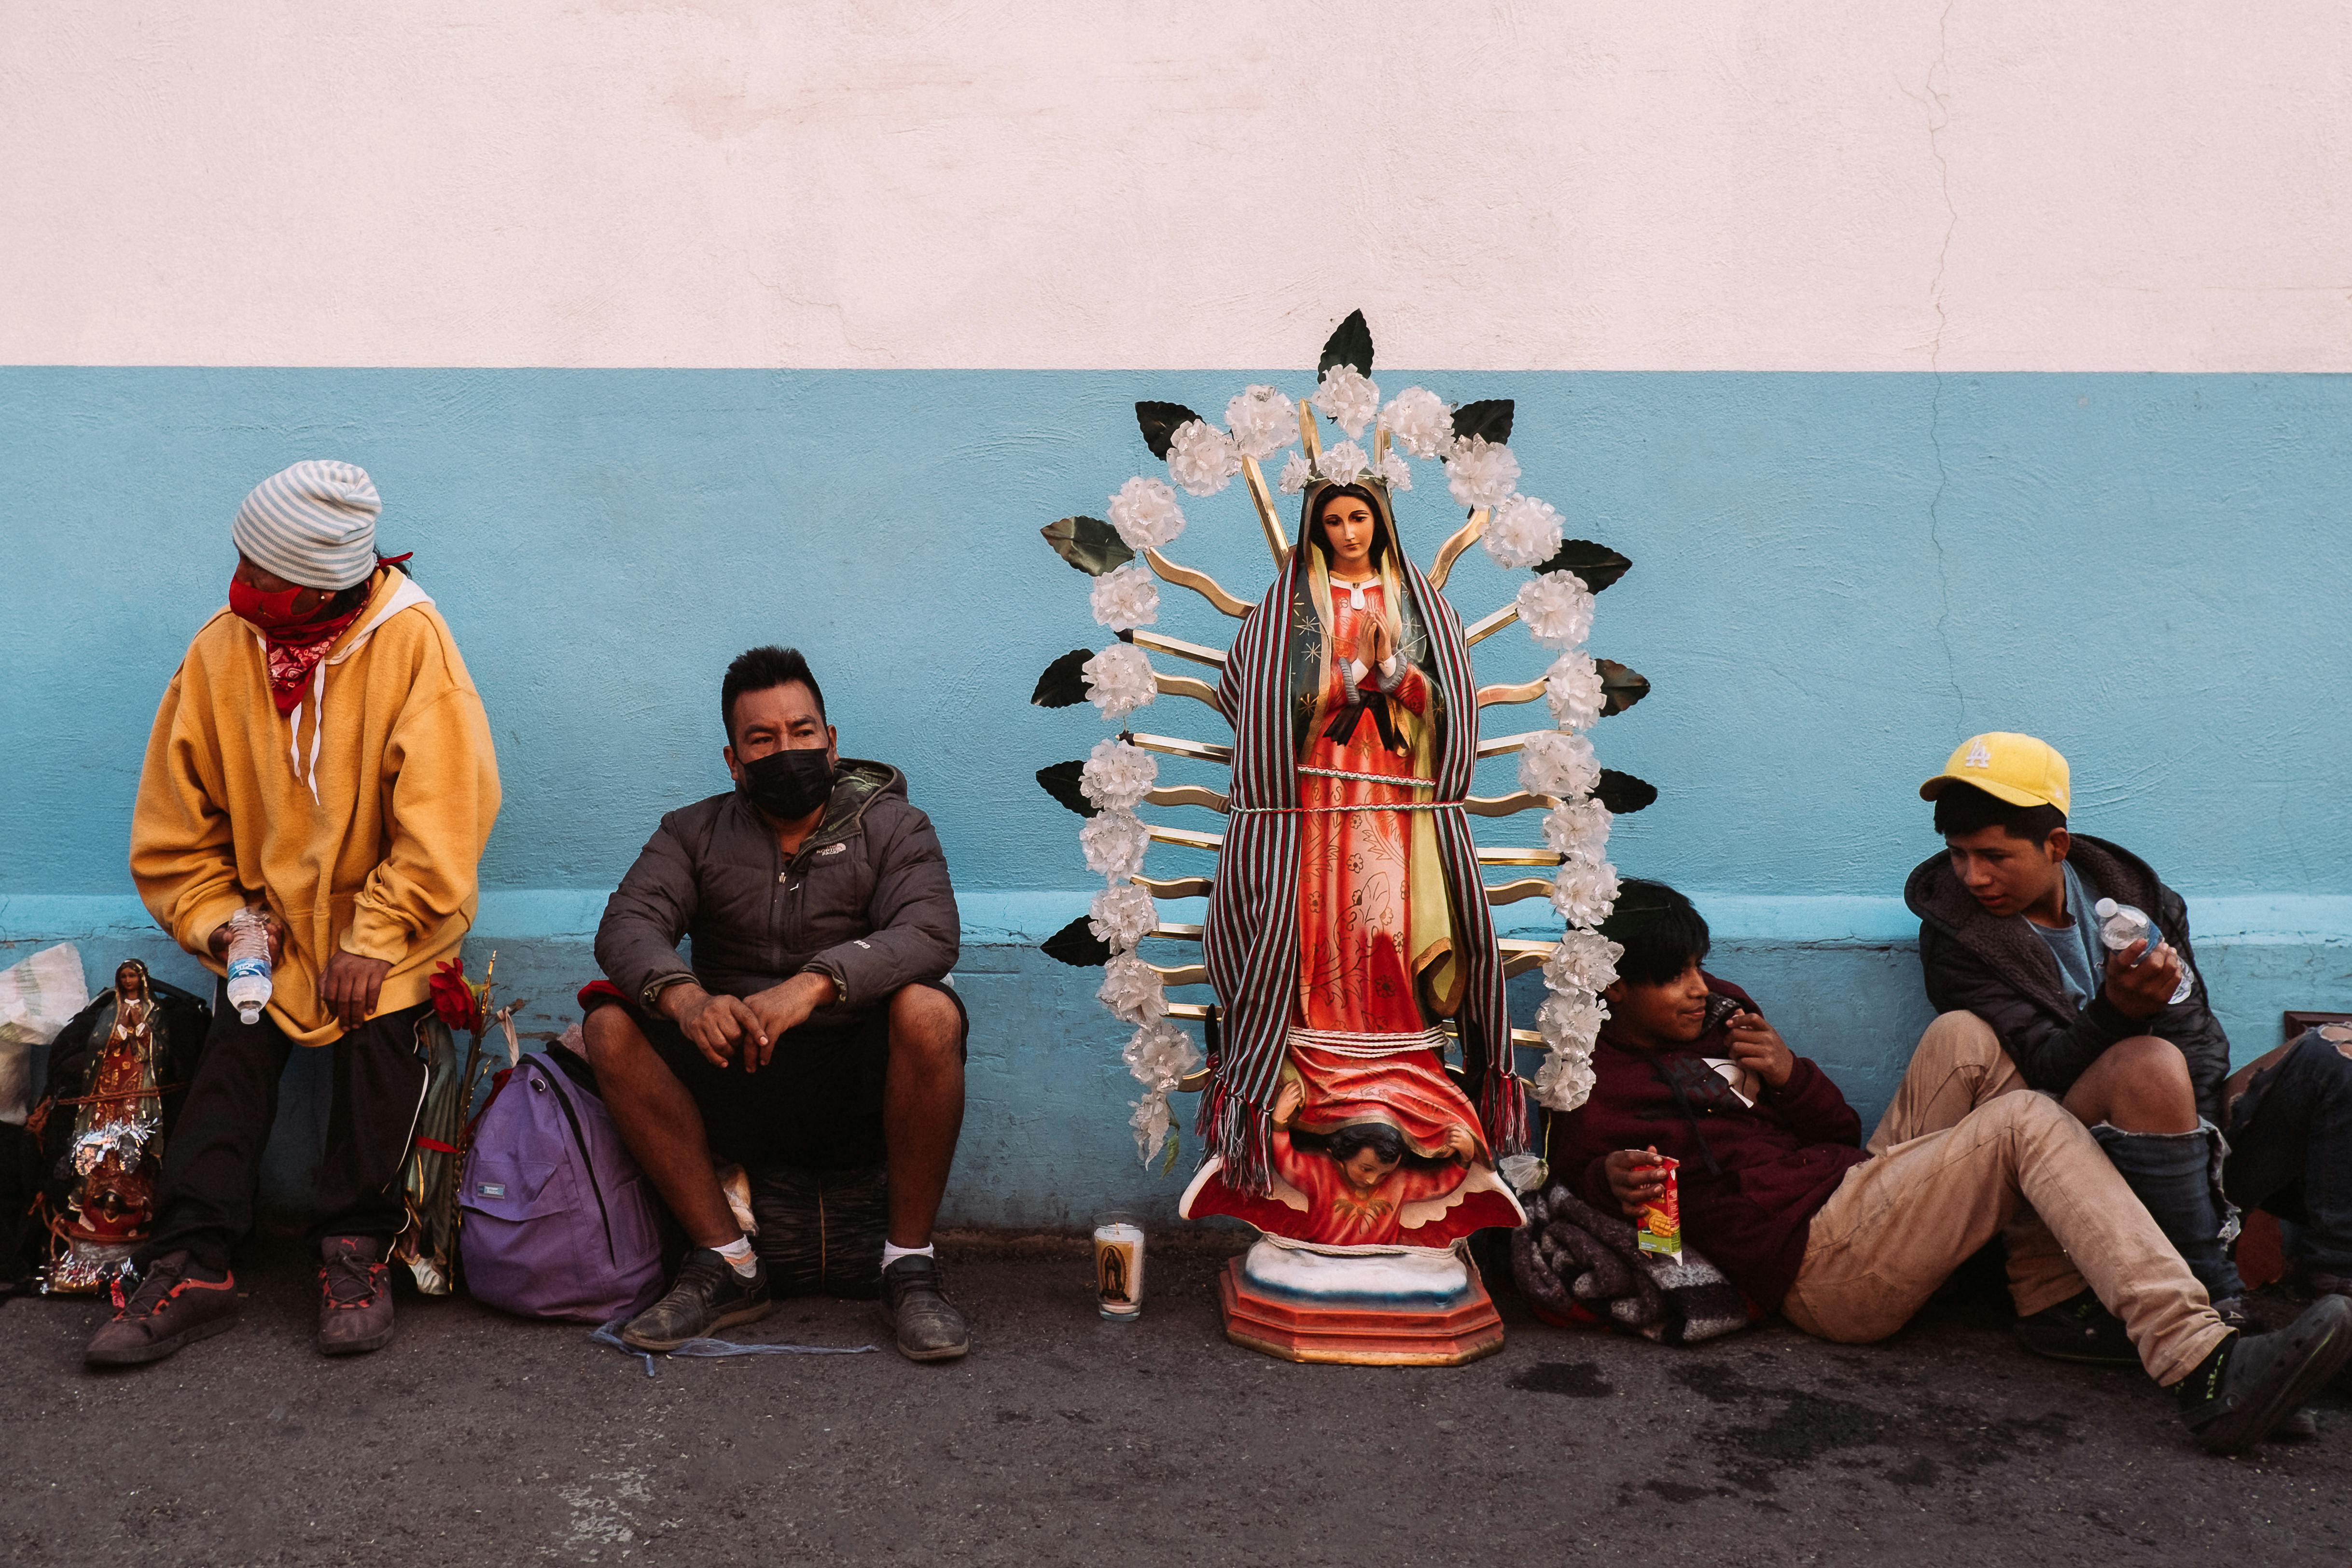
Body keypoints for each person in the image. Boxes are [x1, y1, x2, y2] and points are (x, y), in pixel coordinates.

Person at [1549, 879, 2352, 1455]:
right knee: (2024, 1121)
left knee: (1963, 1035)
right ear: (1613, 989)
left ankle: (2048, 1292)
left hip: (1848, 1188)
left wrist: (1788, 1073)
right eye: (1673, 978)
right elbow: (1593, 1190)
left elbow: (1835, 1129)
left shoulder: (1720, 1013)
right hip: (1820, 1266)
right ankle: (2200, 1360)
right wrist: (1608, 1183)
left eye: (1698, 965)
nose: (1698, 989)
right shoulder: (1593, 1088)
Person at [89, 461, 501, 1367]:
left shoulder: (414, 644)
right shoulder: (219, 650)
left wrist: (374, 937)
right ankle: (193, 1260)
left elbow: (444, 822)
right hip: (267, 922)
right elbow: (175, 833)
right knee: (236, 1043)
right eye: (240, 559)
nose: (241, 583)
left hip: (390, 921)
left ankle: (356, 1246)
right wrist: (225, 923)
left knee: (377, 1034)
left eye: (261, 571)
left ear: (320, 584)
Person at [585, 646, 971, 1361]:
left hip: (858, 1082)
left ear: (831, 741)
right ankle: (727, 1263)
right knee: (608, 1028)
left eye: (801, 731)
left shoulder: (896, 826)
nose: (785, 750)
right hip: (736, 1074)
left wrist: (814, 984)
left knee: (930, 1011)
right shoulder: (690, 833)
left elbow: (929, 932)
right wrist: (688, 1000)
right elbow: (628, 925)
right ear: (733, 762)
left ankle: (909, 1267)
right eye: (761, 739)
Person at [1180, 479, 1524, 1248]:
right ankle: (1310, 1065)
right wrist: (1342, 680)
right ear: (1315, 527)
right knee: (1311, 938)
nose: (1346, 532)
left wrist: (1394, 672)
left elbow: (1452, 709)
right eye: (1332, 520)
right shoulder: (1284, 611)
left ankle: (1399, 1065)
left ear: (1381, 521)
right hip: (1307, 813)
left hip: (1396, 810)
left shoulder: (1421, 607)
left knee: (1388, 934)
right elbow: (1249, 699)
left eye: (1358, 516)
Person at [1907, 733, 2352, 1316]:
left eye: (1994, 857)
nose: (1972, 877)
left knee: (2336, 1050)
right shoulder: (1957, 937)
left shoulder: (2136, 900)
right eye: (1958, 854)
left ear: (2055, 845)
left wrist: (2192, 1155)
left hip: (2177, 1130)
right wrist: (2119, 1012)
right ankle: (2214, 1306)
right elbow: (2043, 1069)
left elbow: (2198, 1037)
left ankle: (2334, 1279)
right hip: (2064, 1154)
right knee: (2147, 1062)